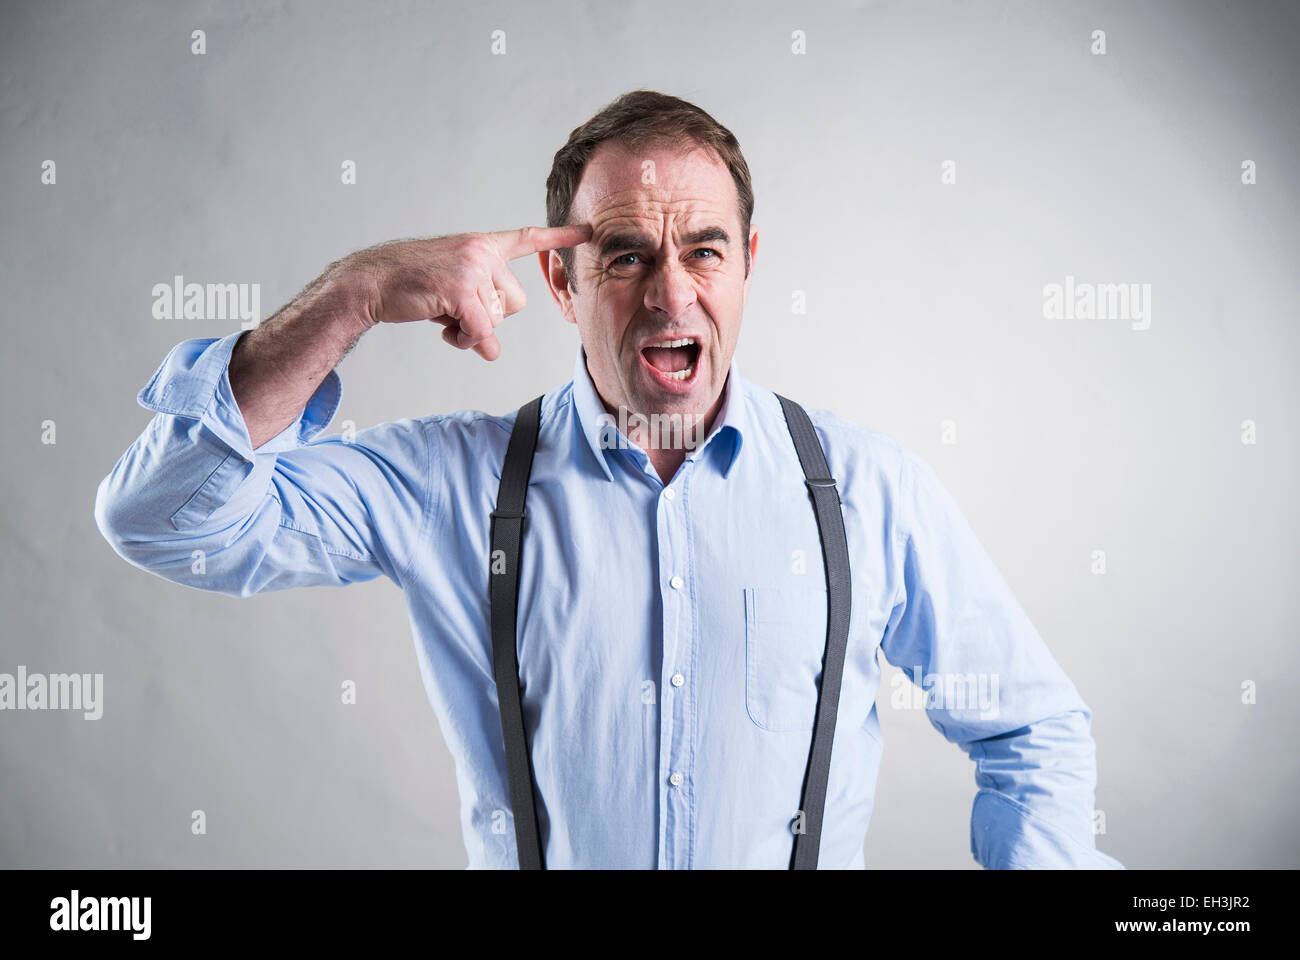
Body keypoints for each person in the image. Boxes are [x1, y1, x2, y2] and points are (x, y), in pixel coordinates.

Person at [94, 89, 1123, 869]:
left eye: (705, 251)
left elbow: (1029, 728)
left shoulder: (864, 491)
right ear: (559, 279)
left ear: (748, 263)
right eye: (626, 255)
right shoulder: (451, 482)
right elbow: (164, 518)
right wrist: (354, 294)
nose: (672, 295)